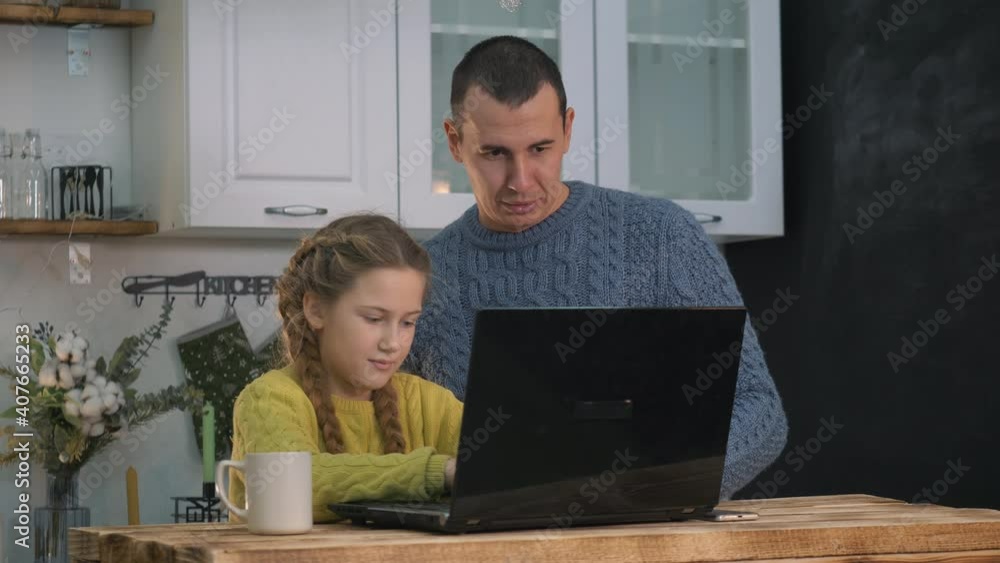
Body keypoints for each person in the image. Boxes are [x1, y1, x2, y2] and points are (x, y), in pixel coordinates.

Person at [402, 36, 789, 500]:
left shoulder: (661, 236)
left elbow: (757, 411)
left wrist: (643, 494)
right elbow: (369, 431)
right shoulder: (421, 278)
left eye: (540, 148)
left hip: (651, 530)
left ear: (568, 130)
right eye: (495, 153)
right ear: (455, 142)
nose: (520, 181)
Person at [229, 214, 462, 523]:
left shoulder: (430, 403)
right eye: (374, 319)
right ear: (316, 310)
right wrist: (436, 472)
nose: (393, 343)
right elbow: (291, 485)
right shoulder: (268, 399)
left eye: (408, 322)